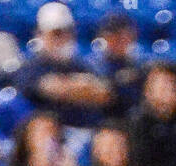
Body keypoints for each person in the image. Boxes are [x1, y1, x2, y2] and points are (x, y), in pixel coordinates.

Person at [15, 2, 114, 130]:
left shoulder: (80, 65)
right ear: (40, 34)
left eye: (67, 31)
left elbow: (104, 94)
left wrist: (68, 87)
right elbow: (48, 87)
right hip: (50, 135)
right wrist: (82, 87)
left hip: (86, 130)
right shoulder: (31, 67)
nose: (63, 38)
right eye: (56, 33)